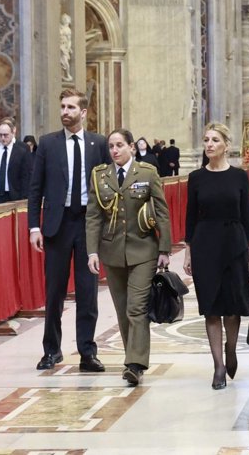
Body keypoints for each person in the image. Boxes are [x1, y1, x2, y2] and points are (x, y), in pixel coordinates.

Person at [28, 88, 111, 372]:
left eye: (71, 107)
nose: (65, 111)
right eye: (63, 106)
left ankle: (87, 352)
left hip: (88, 223)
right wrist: (34, 226)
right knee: (54, 292)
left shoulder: (98, 143)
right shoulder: (48, 143)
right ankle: (51, 350)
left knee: (88, 292)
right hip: (58, 224)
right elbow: (35, 188)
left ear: (83, 112)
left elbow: (108, 186)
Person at [85, 129, 172, 386]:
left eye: (120, 145)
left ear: (131, 147)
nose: (115, 150)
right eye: (111, 146)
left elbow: (162, 212)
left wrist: (164, 249)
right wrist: (92, 251)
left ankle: (135, 364)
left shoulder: (147, 173)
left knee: (137, 308)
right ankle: (131, 357)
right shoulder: (100, 176)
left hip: (143, 250)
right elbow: (93, 216)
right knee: (123, 310)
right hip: (112, 253)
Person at [183, 122, 249, 389]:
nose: (209, 145)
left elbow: (246, 215)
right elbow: (191, 217)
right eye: (206, 140)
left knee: (233, 306)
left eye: (214, 140)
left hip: (234, 243)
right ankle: (218, 366)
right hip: (205, 245)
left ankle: (231, 349)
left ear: (226, 145)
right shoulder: (196, 178)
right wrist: (188, 252)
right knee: (211, 308)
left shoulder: (238, 176)